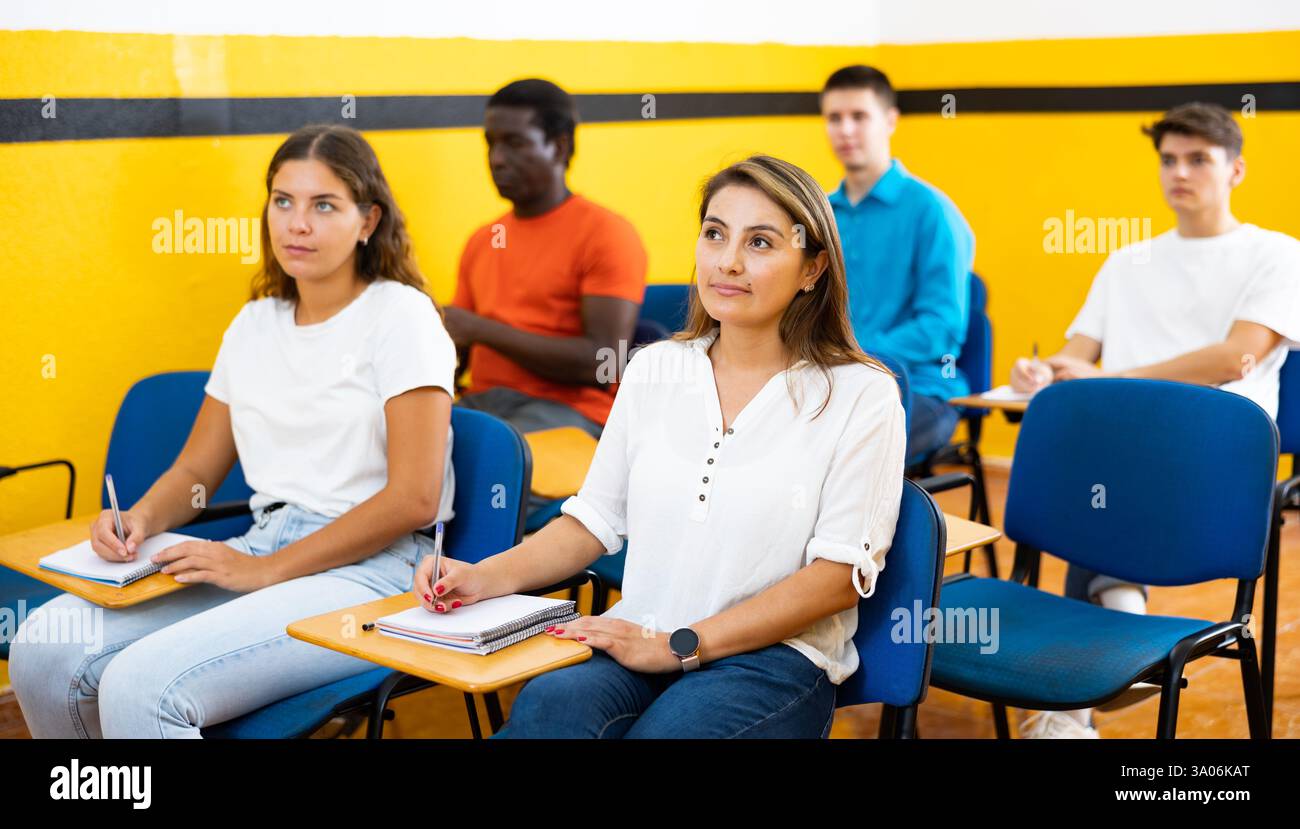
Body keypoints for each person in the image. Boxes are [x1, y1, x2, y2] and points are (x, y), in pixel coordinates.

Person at [414, 155, 907, 738]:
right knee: (547, 709)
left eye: (761, 243)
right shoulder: (655, 369)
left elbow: (836, 576)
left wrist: (682, 645)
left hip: (775, 659)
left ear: (812, 268)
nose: (727, 261)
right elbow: (593, 522)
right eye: (715, 234)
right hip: (641, 635)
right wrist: (483, 576)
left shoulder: (860, 394)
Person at [9, 124, 457, 738]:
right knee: (41, 651)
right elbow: (196, 472)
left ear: (368, 221)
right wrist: (137, 520)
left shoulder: (401, 316)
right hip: (265, 542)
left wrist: (267, 573)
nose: (297, 224)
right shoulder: (254, 324)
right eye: (283, 201)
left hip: (371, 572)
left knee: (142, 689)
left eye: (324, 205)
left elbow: (415, 498)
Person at [1008, 102, 1300, 738]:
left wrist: (1105, 383)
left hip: (1219, 451)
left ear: (1237, 169)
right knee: (1095, 465)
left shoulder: (1278, 255)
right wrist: (1044, 372)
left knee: (1105, 468)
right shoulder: (1126, 262)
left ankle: (1077, 696)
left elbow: (1234, 357)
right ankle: (1108, 665)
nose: (1180, 172)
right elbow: (1073, 356)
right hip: (1124, 448)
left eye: (1199, 159)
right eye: (1169, 159)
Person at [447, 78, 648, 442]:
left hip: (570, 415)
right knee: (388, 444)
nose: (496, 159)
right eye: (490, 144)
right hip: (484, 405)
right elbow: (456, 345)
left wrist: (480, 329)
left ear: (559, 147)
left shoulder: (606, 233)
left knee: (479, 463)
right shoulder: (482, 240)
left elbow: (604, 362)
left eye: (515, 143)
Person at [821, 65, 975, 464]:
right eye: (834, 118)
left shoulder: (933, 212)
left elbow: (940, 329)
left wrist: (850, 352)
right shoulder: (819, 214)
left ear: (890, 121)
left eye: (859, 116)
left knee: (845, 454)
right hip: (832, 380)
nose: (845, 130)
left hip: (920, 387)